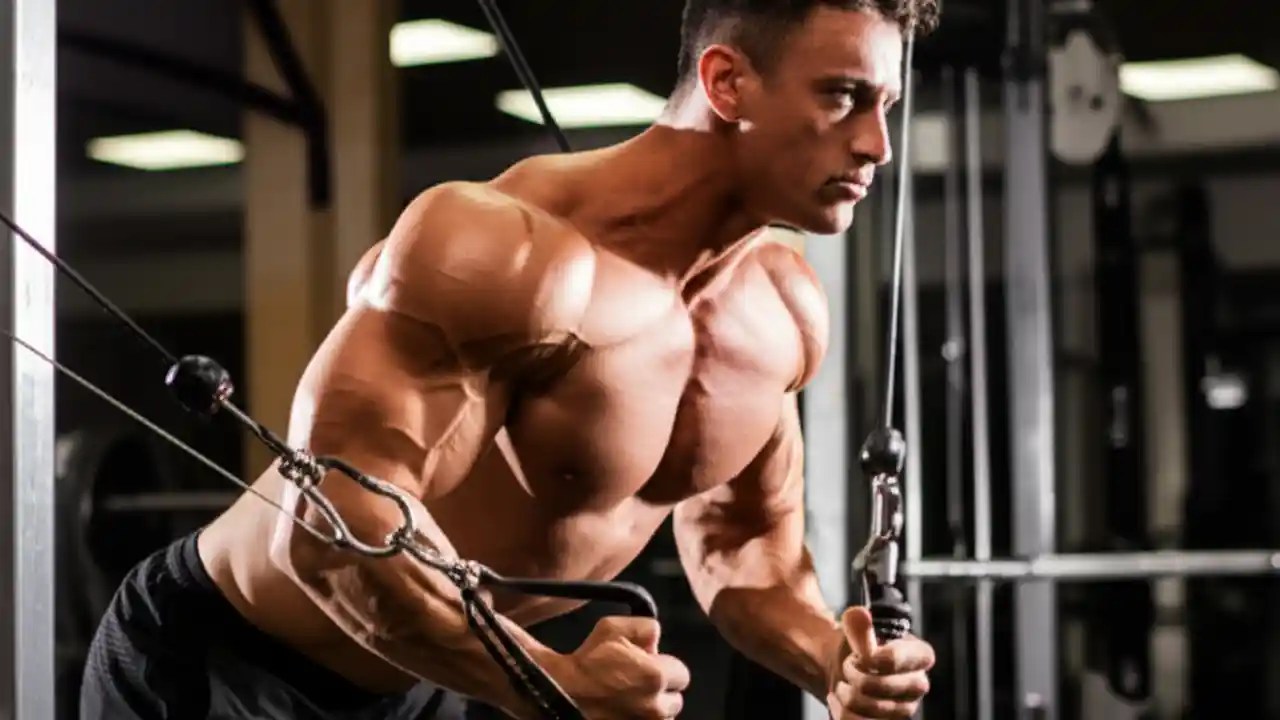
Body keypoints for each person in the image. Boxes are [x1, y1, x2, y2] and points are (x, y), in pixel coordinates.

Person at [80, 0, 940, 718]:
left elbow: (744, 546)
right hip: (229, 660)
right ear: (726, 83)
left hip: (437, 669)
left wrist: (832, 659)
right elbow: (327, 528)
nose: (878, 144)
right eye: (843, 97)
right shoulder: (510, 252)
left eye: (887, 106)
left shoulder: (780, 310)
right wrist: (553, 681)